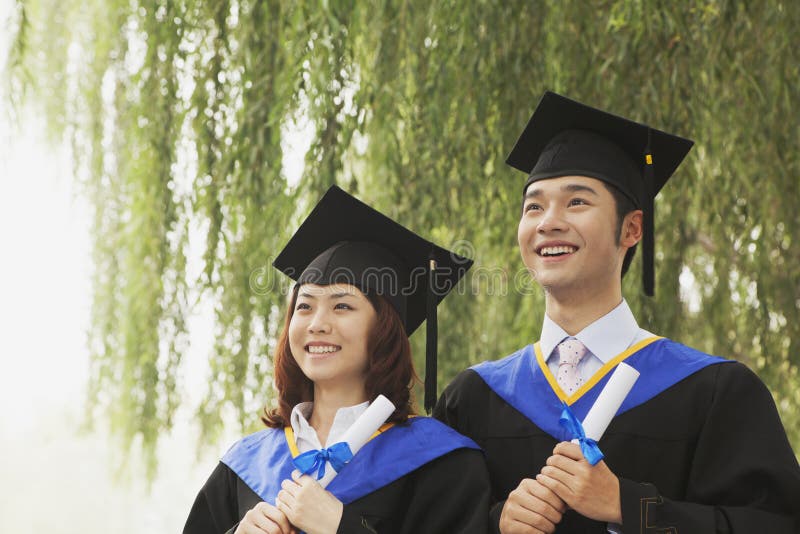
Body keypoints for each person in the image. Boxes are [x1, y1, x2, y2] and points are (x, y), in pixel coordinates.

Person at [434, 91, 800, 533]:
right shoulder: (474, 399)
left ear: (631, 228)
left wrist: (629, 506)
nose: (548, 222)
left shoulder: (713, 392)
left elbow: (774, 523)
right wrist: (497, 524)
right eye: (534, 206)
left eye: (576, 202)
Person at [184, 185, 490, 534]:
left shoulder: (439, 462)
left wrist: (340, 527)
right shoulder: (247, 463)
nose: (317, 324)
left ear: (385, 329)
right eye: (305, 306)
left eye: (342, 306)